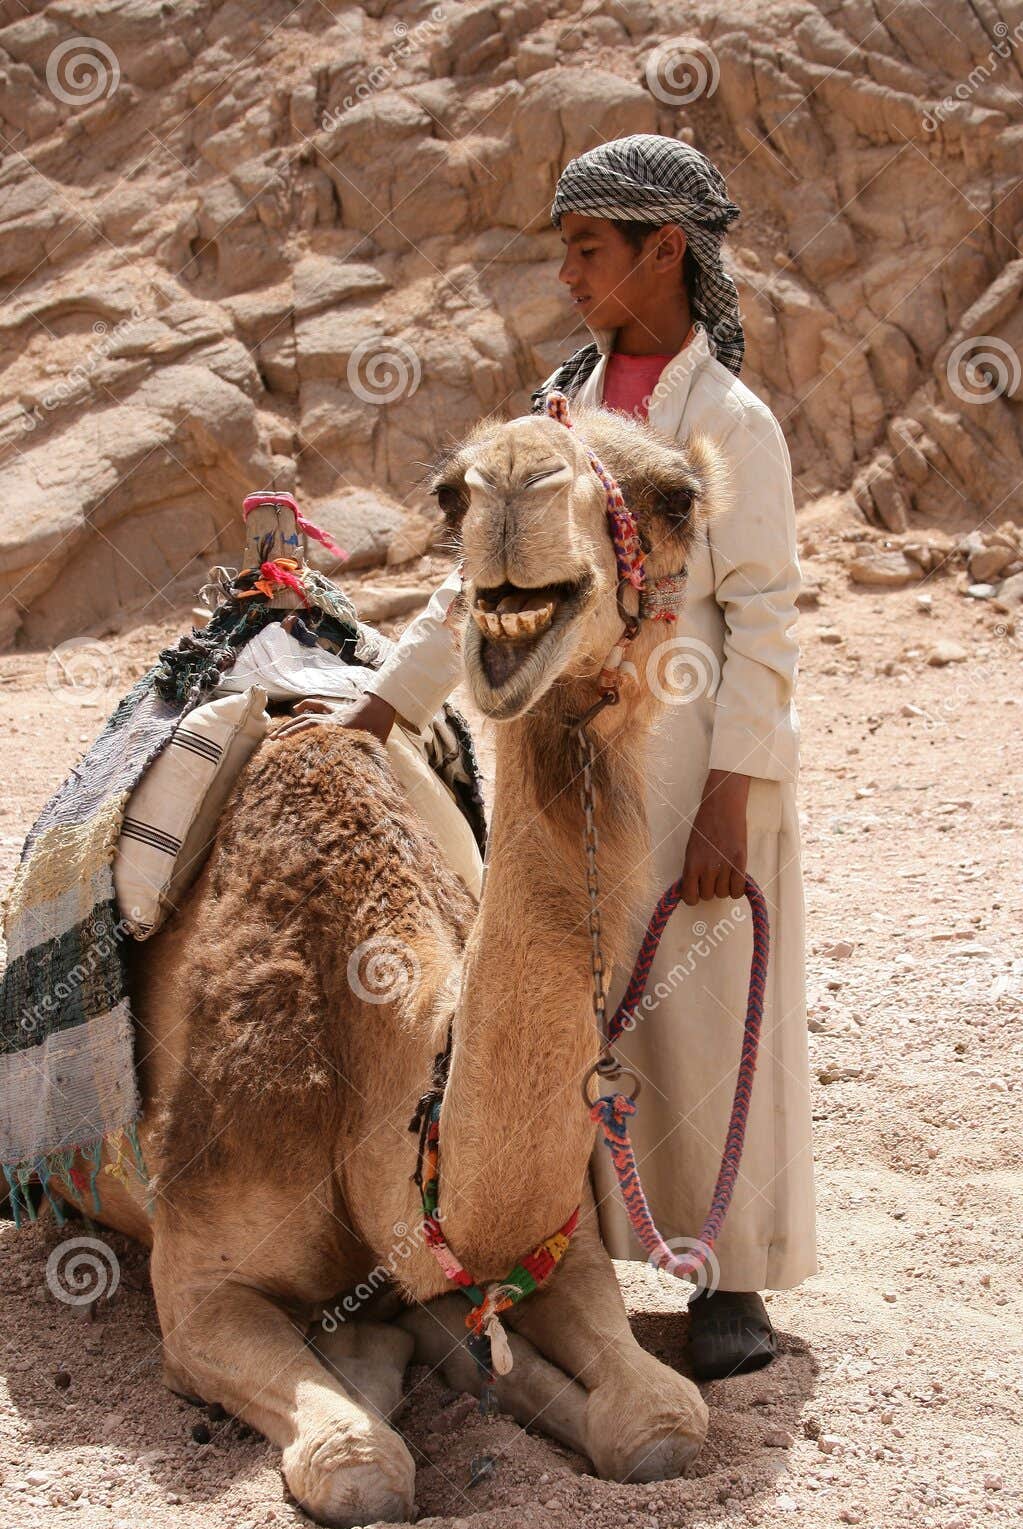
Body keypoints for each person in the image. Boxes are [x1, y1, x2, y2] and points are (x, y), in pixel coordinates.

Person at [288, 134, 817, 1379]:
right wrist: (380, 709)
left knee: (700, 1011)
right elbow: (473, 590)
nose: (570, 275)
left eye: (589, 250)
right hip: (559, 766)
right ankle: (562, 1252)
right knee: (557, 1004)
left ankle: (726, 1283)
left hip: (691, 765)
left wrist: (727, 805)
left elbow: (769, 619)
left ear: (662, 250)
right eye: (566, 252)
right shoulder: (555, 417)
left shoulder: (733, 426)